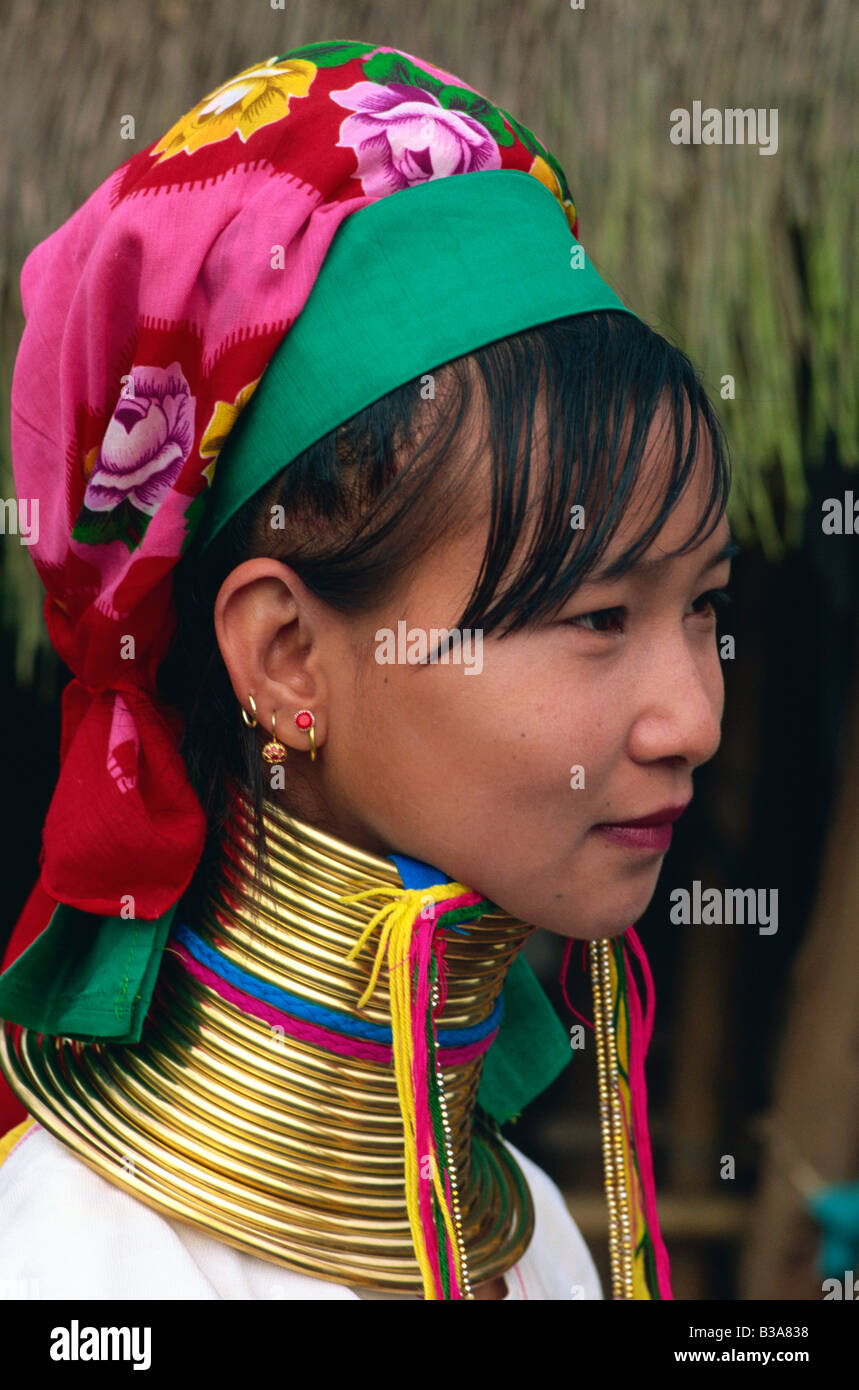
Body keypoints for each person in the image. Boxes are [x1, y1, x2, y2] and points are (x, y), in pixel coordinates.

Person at [0, 40, 733, 1300]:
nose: (693, 718)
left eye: (705, 604)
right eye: (599, 618)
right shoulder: (83, 1272)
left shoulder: (533, 1234)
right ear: (289, 658)